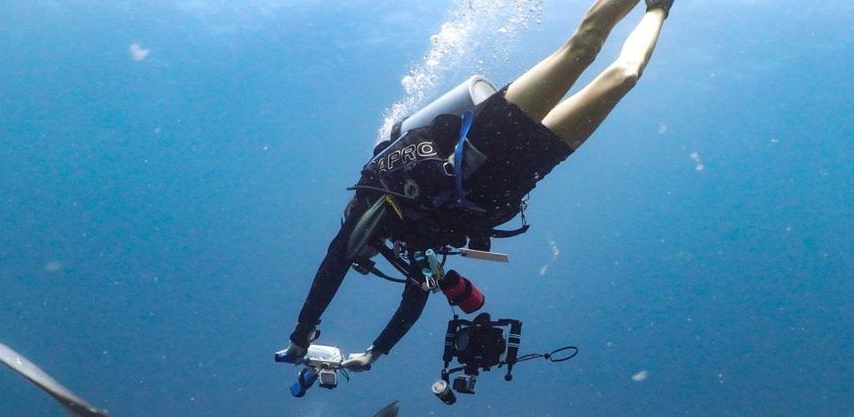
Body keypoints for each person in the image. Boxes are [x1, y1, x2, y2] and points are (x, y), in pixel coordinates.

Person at [277, 0, 674, 372]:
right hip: (522, 172)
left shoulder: (370, 202)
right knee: (623, 77)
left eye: (361, 257)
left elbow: (331, 269)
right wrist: (375, 354)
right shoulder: (416, 248)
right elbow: (414, 300)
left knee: (581, 48)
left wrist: (300, 338)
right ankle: (660, 7)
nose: (363, 257)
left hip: (485, 139)